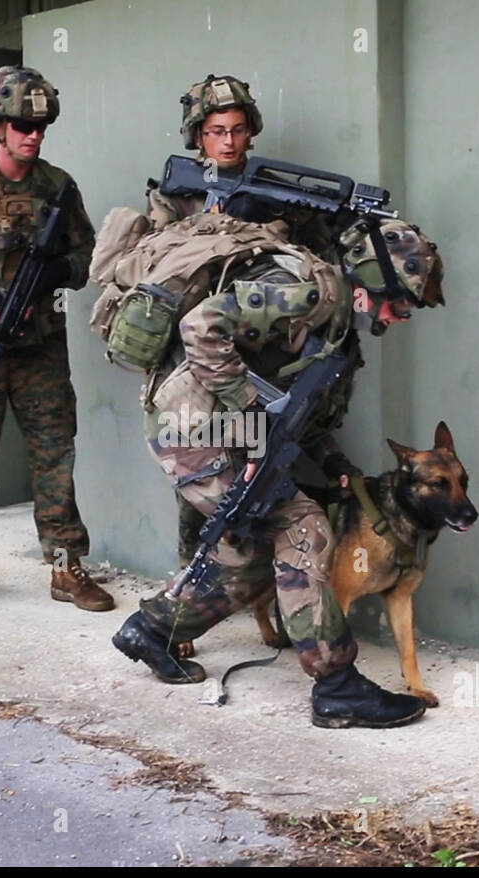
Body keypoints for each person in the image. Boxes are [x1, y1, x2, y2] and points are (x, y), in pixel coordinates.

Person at [111, 215, 446, 729]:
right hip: (192, 427)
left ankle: (152, 629)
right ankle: (336, 686)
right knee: (302, 526)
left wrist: (333, 461)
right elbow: (200, 327)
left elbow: (299, 411)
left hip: (229, 429)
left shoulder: (340, 335)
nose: (402, 316)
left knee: (247, 559)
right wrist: (249, 408)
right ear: (374, 279)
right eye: (402, 301)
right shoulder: (308, 293)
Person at [0, 65, 113, 612]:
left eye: (40, 128)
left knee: (54, 453)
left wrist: (57, 272)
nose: (32, 136)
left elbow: (87, 256)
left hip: (41, 346)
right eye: (21, 126)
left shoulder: (57, 187)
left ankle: (64, 565)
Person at [146, 73, 335, 568]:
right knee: (198, 477)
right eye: (215, 131)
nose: (227, 141)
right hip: (191, 358)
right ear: (197, 137)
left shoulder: (278, 194)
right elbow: (155, 265)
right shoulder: (176, 195)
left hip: (260, 357)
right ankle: (186, 595)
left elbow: (312, 267)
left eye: (236, 129)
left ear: (251, 131)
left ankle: (271, 593)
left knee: (265, 470)